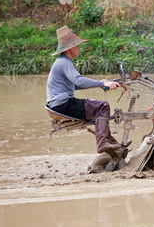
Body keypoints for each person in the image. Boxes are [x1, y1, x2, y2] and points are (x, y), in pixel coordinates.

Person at [46, 26, 122, 155]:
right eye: (77, 46)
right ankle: (103, 143)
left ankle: (110, 142)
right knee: (102, 107)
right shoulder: (64, 62)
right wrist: (100, 83)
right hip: (62, 105)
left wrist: (102, 84)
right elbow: (79, 81)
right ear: (70, 48)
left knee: (99, 108)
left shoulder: (62, 62)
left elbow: (75, 85)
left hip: (58, 104)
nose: (79, 49)